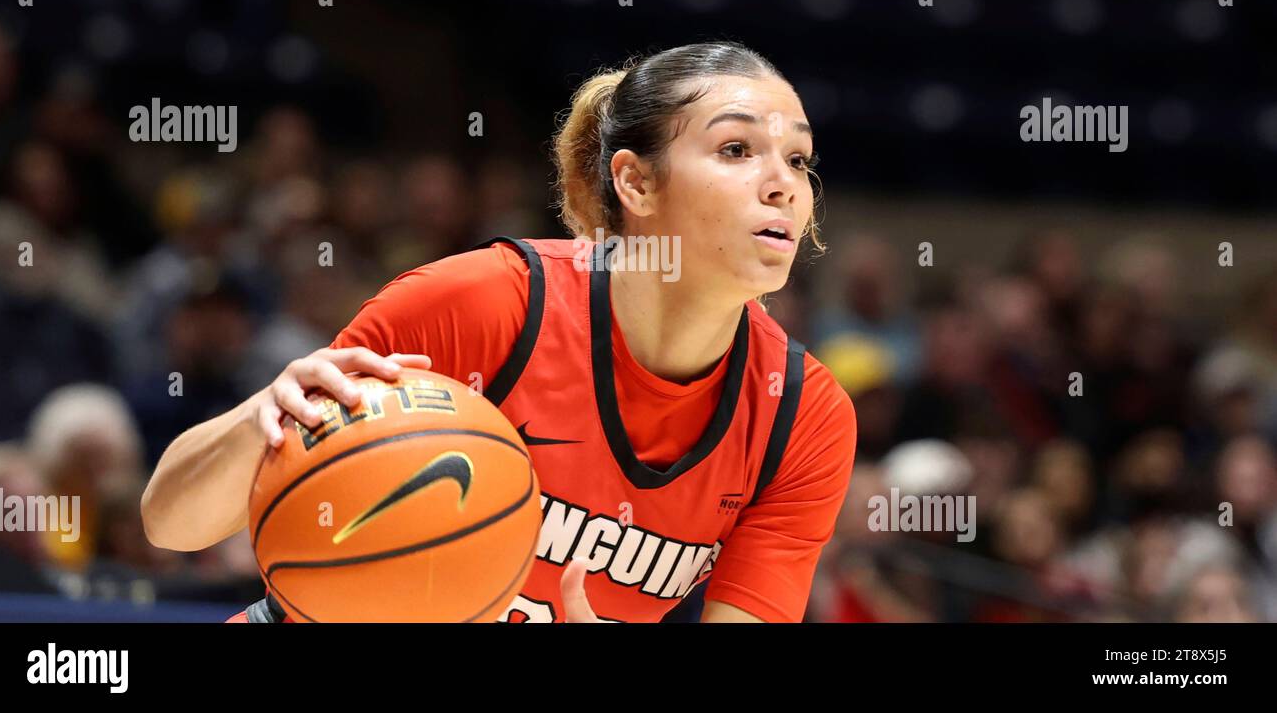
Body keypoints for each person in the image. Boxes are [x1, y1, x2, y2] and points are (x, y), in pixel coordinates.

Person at [141, 41, 858, 622]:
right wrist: (262, 416)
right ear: (635, 184)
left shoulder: (804, 417)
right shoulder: (486, 304)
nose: (783, 183)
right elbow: (169, 522)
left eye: (797, 158)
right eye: (736, 150)